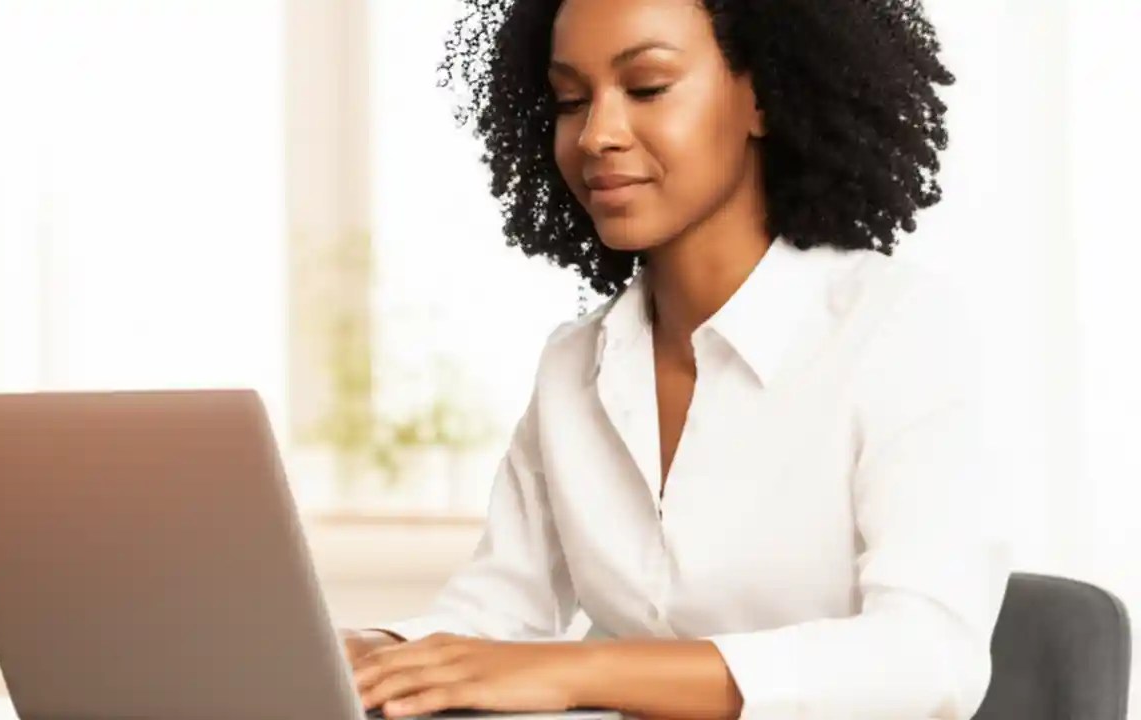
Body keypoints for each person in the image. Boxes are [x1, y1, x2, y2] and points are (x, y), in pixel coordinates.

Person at [343, 0, 1012, 718]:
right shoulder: (576, 365)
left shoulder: (895, 330)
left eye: (647, 87)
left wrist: (583, 670)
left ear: (761, 96)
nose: (597, 134)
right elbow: (502, 610)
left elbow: (927, 658)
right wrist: (366, 649)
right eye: (571, 100)